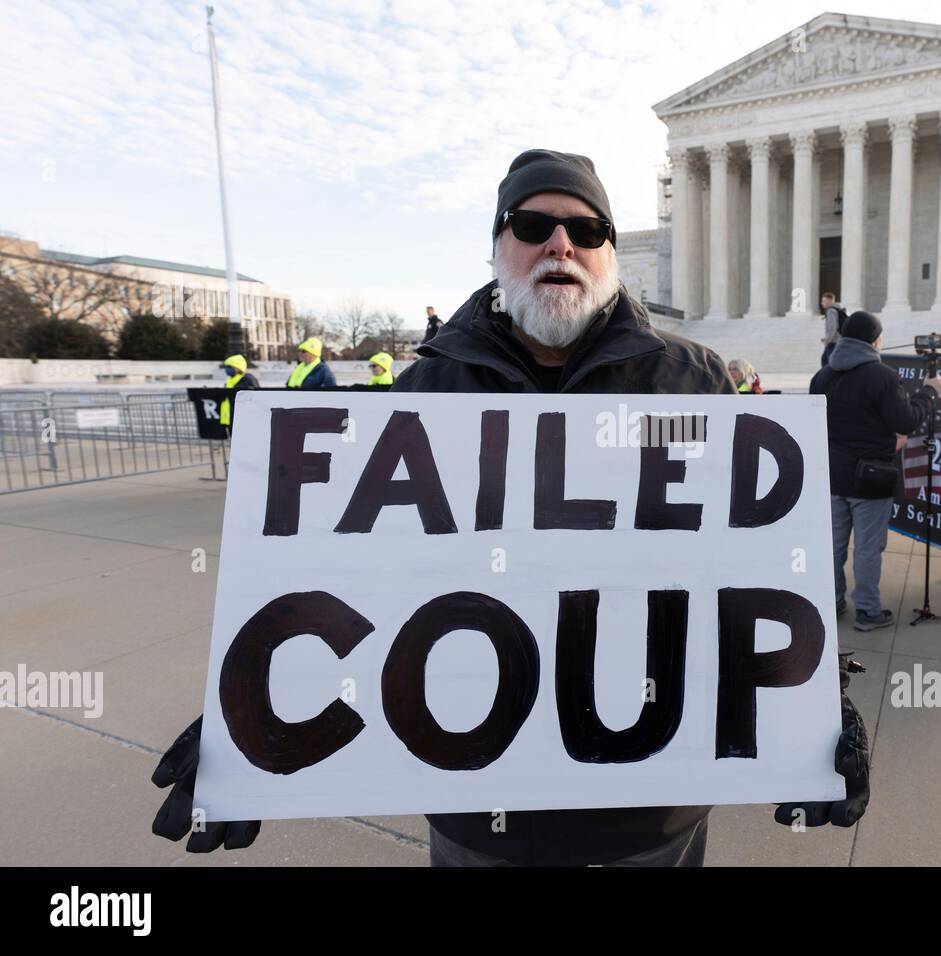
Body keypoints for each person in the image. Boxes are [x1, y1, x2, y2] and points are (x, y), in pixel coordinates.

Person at [152, 148, 870, 867]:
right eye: (533, 225)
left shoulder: (693, 383)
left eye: (587, 232)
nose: (561, 245)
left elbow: (758, 564)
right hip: (480, 808)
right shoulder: (425, 389)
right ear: (499, 246)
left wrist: (812, 705)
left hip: (647, 815)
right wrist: (247, 725)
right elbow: (354, 581)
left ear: (610, 254)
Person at [810, 311, 939, 633]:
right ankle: (867, 611)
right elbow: (906, 422)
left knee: (833, 545)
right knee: (868, 548)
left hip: (831, 476)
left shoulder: (822, 376)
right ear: (875, 341)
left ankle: (832, 600)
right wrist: (928, 393)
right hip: (870, 478)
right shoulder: (881, 376)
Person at [218, 353, 258, 433]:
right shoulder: (229, 381)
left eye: (229, 367)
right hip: (231, 418)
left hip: (244, 419)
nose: (226, 369)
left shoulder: (248, 379)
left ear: (237, 368)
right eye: (226, 367)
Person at [819, 292, 847, 367]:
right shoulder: (838, 309)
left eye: (824, 301)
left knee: (826, 362)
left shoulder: (831, 311)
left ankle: (828, 378)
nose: (822, 303)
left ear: (830, 300)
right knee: (826, 360)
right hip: (837, 340)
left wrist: (827, 340)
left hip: (833, 342)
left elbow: (833, 327)